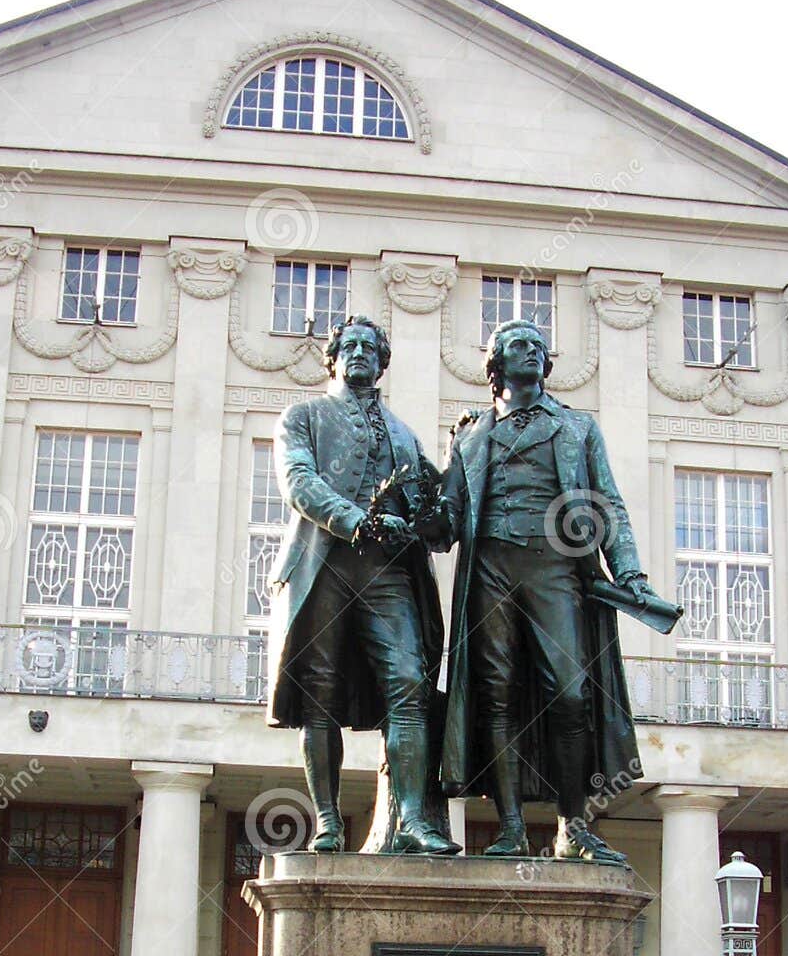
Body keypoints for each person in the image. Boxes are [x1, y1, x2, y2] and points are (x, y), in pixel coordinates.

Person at [434, 318, 651, 862]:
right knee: (496, 695)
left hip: (555, 569)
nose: (530, 351)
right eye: (516, 345)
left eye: (537, 346)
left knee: (571, 694)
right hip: (490, 570)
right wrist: (426, 495)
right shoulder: (471, 434)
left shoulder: (577, 428)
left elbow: (609, 504)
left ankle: (571, 826)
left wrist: (629, 570)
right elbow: (447, 522)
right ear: (495, 366)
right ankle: (510, 828)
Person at [266, 314, 458, 855]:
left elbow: (434, 514)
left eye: (370, 347)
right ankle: (327, 819)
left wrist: (458, 460)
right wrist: (357, 519)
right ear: (332, 358)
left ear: (382, 361)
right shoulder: (303, 416)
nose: (359, 354)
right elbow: (299, 482)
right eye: (348, 346)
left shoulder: (403, 434)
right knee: (319, 695)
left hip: (388, 573)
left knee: (409, 684)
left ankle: (415, 821)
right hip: (324, 562)